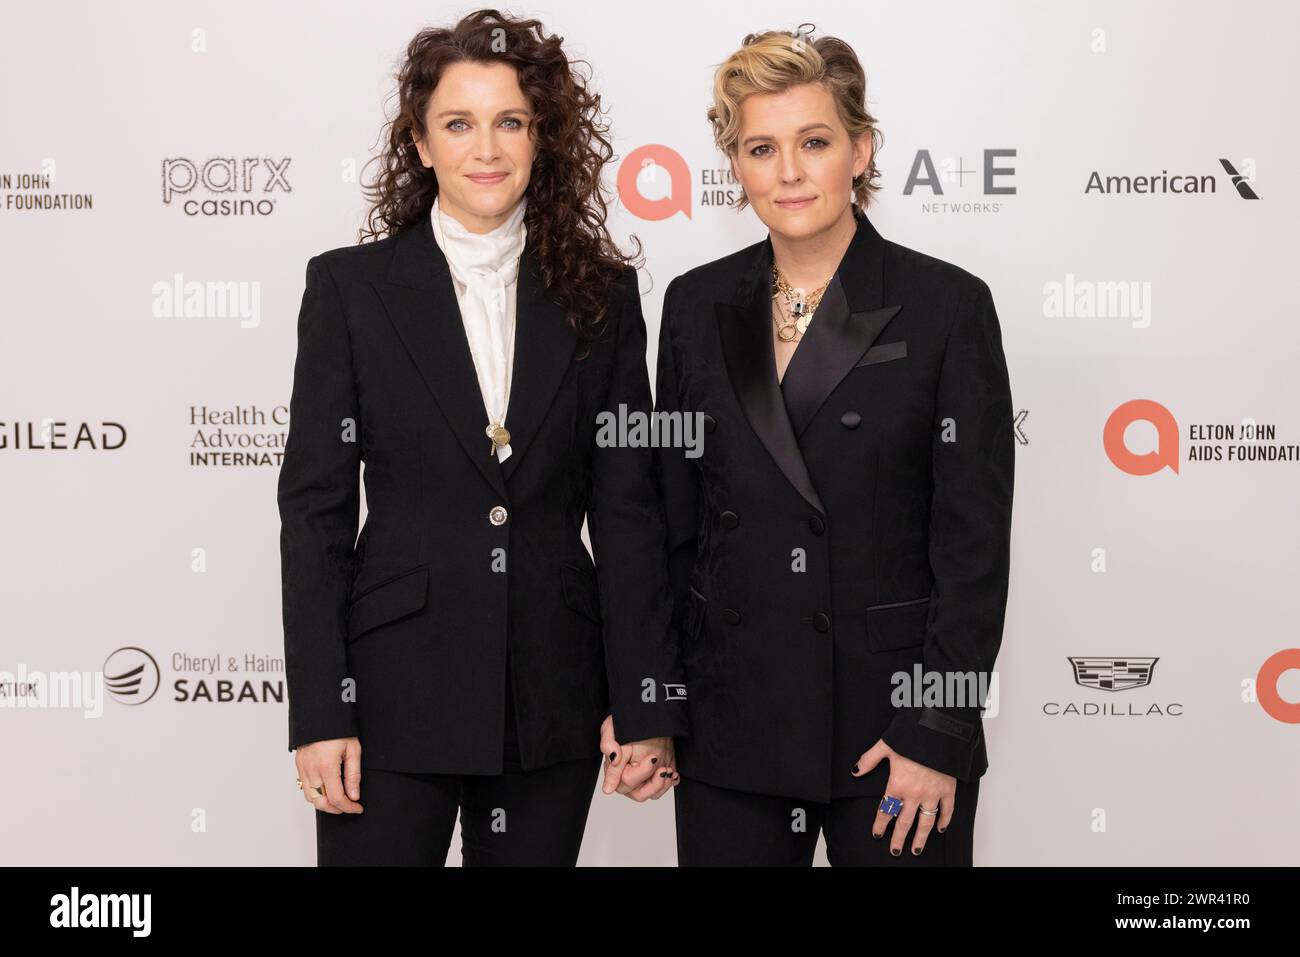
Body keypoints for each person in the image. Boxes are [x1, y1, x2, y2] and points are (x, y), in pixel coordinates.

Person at [278, 8, 685, 867]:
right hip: (389, 697)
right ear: (420, 145)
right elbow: (314, 511)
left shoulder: (604, 298)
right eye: (458, 124)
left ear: (543, 138)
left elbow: (628, 511)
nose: (486, 148)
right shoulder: (349, 291)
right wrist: (321, 711)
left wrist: (644, 700)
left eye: (510, 122)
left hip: (552, 695)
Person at [653, 25, 1014, 866]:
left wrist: (939, 727)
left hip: (894, 731)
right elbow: (672, 523)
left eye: (813, 142)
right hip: (731, 724)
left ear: (860, 150)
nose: (787, 171)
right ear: (733, 164)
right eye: (760, 147)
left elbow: (972, 547)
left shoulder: (947, 306)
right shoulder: (694, 304)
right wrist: (657, 702)